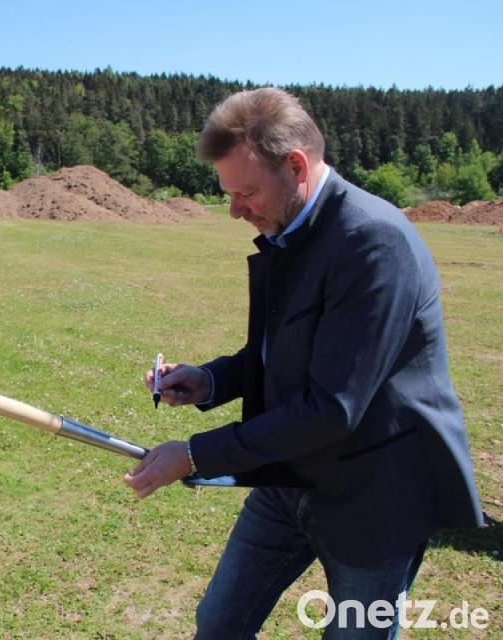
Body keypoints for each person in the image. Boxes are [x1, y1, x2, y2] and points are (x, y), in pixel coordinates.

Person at [123, 88, 483, 638]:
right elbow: (279, 351)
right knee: (219, 622)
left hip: (375, 498)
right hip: (289, 478)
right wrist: (210, 380)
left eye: (246, 192)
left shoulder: (372, 241)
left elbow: (332, 407)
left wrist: (196, 455)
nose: (235, 209)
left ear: (296, 167)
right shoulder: (294, 230)